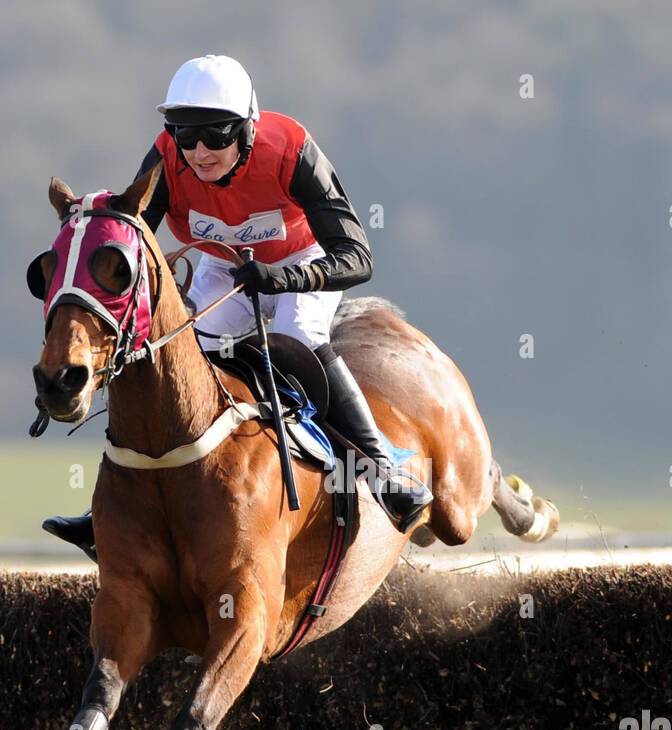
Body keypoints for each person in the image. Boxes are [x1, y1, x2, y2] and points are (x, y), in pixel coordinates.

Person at [43, 54, 432, 560]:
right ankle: (107, 512)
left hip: (303, 260)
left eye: (216, 135)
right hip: (223, 265)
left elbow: (357, 257)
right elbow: (132, 229)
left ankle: (383, 470)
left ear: (247, 129)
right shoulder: (169, 156)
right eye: (185, 135)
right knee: (175, 356)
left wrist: (282, 277)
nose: (199, 151)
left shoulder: (292, 151)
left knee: (298, 337)